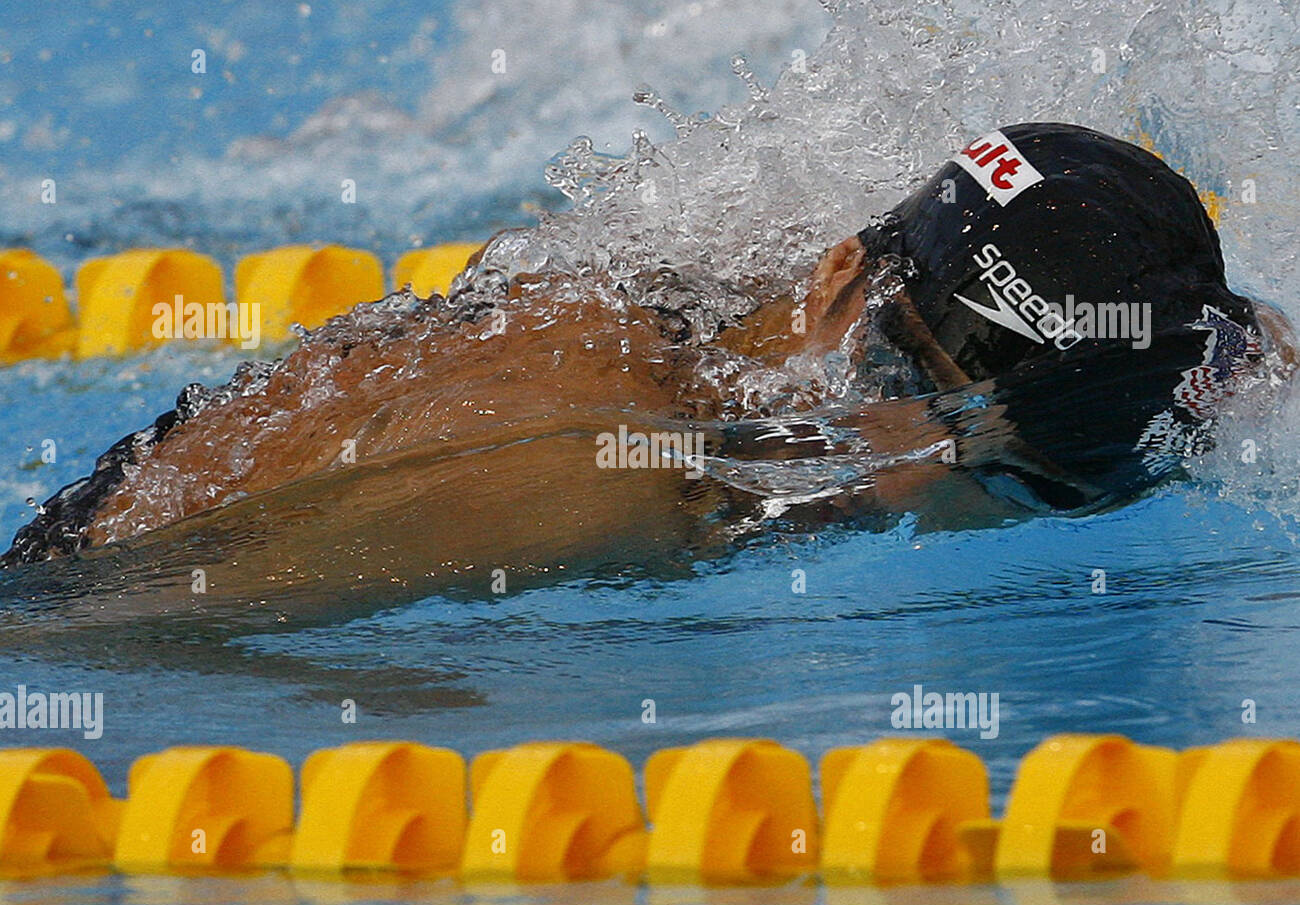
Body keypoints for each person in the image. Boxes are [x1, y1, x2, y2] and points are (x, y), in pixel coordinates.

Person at [3, 122, 1288, 605]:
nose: (903, 472)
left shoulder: (787, 320)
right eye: (903, 390)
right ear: (839, 274)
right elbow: (95, 624)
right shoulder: (586, 468)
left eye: (1011, 479)